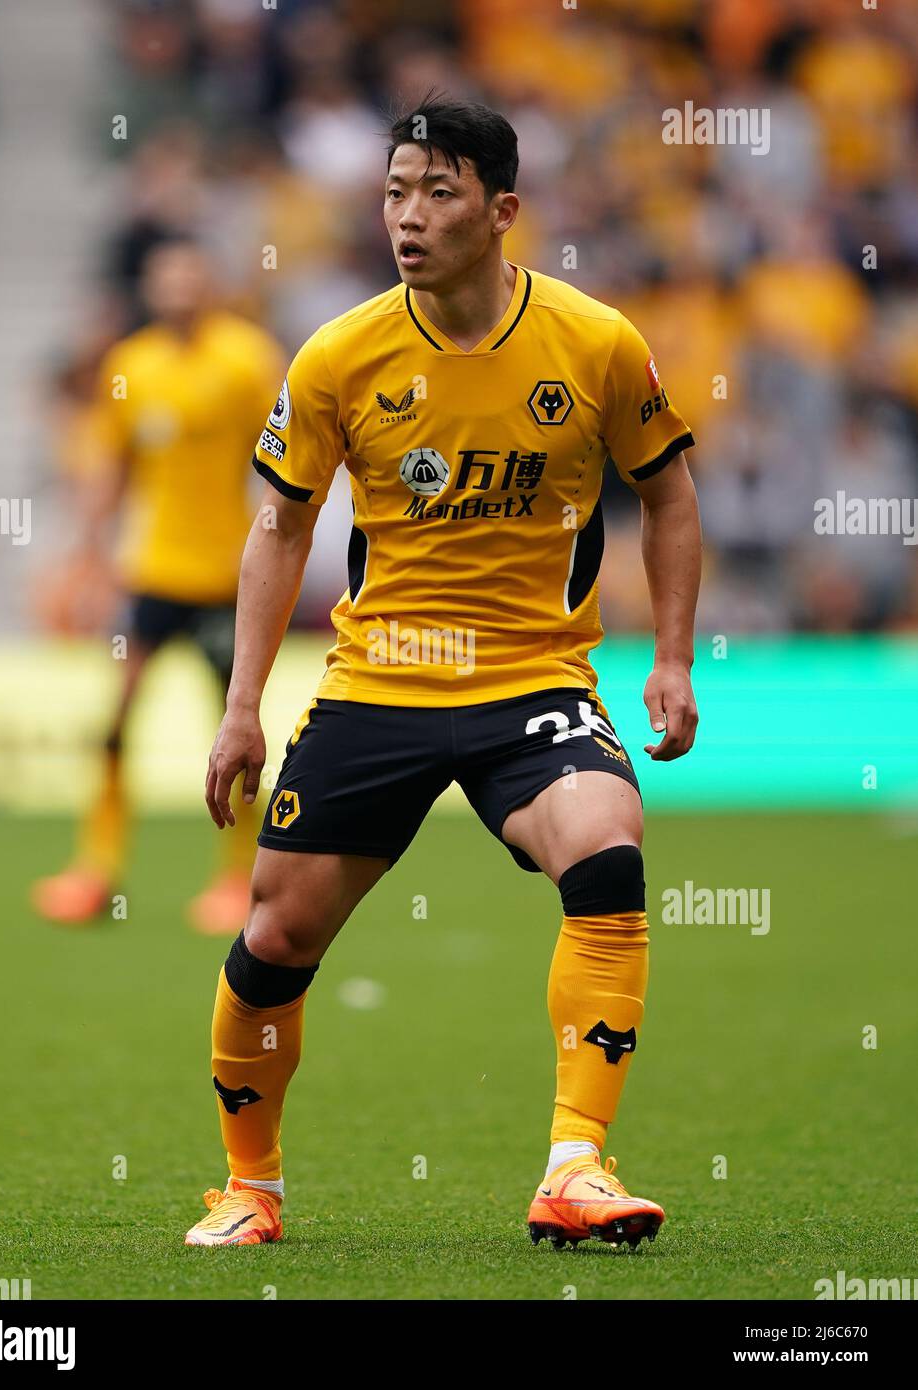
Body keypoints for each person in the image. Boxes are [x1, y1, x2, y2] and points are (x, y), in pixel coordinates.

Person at [186, 96, 700, 1247]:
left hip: (533, 683)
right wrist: (240, 709)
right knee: (275, 937)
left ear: (503, 209)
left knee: (608, 844)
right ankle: (249, 1186)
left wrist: (669, 655)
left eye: (437, 192)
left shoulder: (597, 343)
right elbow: (276, 530)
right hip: (381, 684)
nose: (406, 218)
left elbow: (667, 491)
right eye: (393, 192)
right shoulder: (339, 352)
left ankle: (577, 1164)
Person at [32, 238, 285, 935]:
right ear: (150, 288)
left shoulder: (247, 358)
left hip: (224, 578)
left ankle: (239, 879)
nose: (177, 290)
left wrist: (277, 552)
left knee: (234, 732)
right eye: (165, 279)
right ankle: (96, 868)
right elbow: (112, 466)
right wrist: (87, 555)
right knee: (116, 720)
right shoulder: (131, 365)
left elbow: (286, 461)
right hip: (151, 574)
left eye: (189, 278)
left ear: (209, 285)